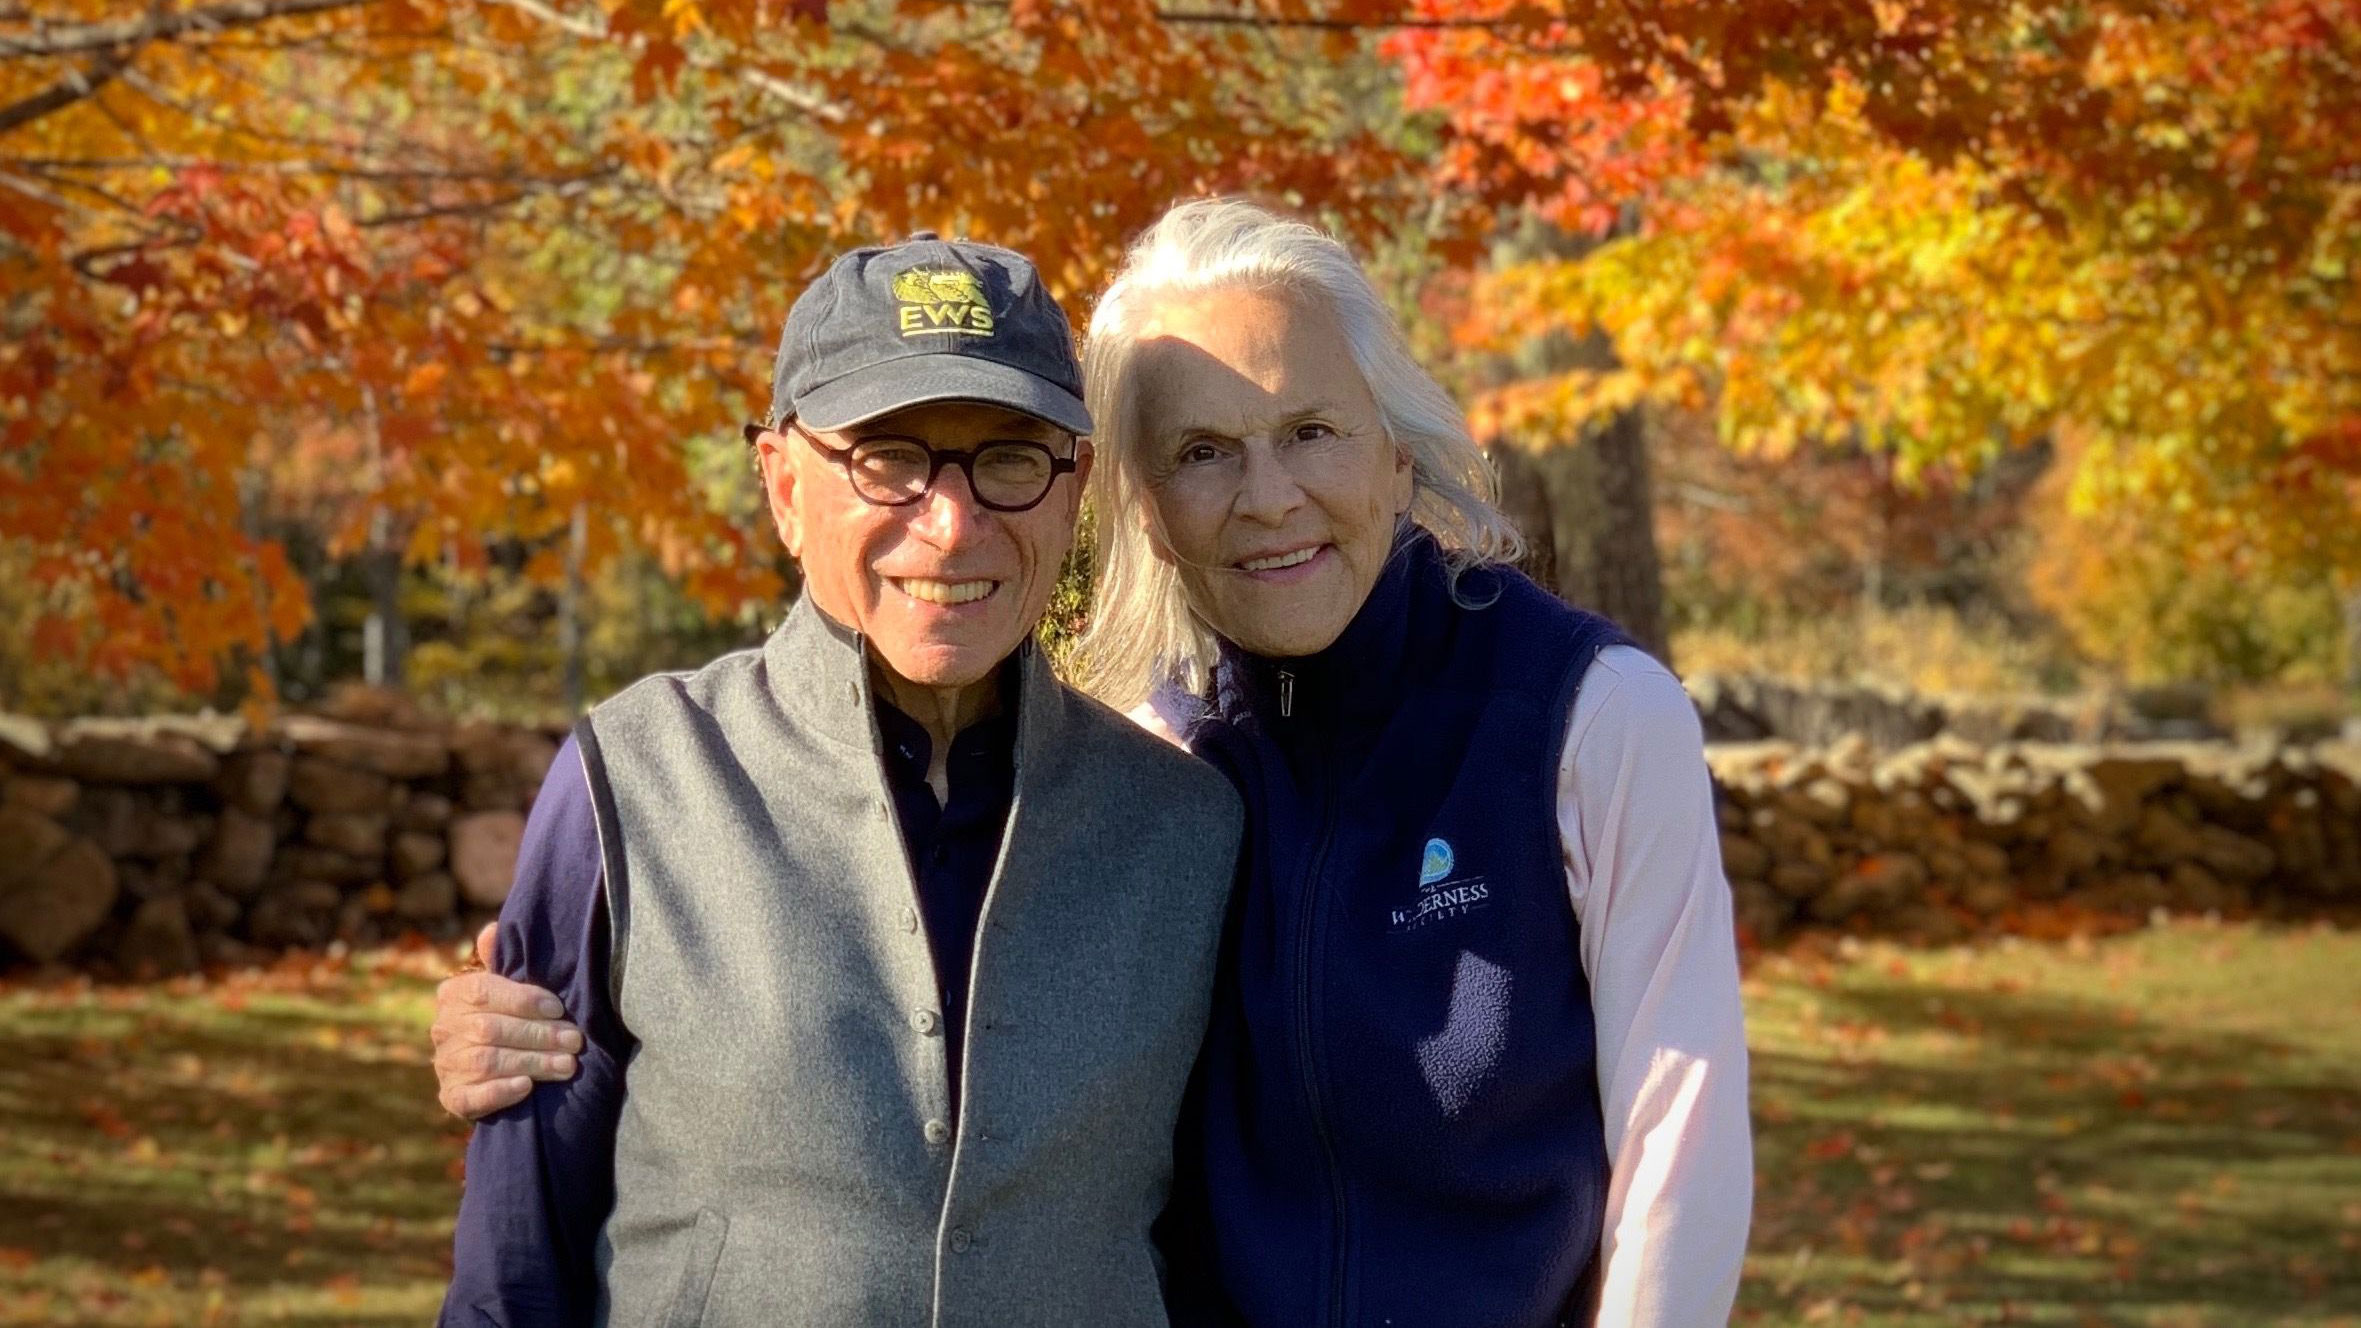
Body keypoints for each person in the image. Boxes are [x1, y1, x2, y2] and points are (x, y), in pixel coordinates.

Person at [436, 201, 1752, 1327]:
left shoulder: (1563, 718)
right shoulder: (1160, 756)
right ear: (1139, 505)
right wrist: (493, 1032)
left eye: (1312, 431)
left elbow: (1676, 1151)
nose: (1269, 495)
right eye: (1199, 453)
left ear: (1393, 443)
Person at [433, 232, 1243, 1328]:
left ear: (1074, 489)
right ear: (781, 480)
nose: (952, 525)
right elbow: (513, 1268)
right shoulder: (633, 784)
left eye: (1008, 457)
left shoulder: (1185, 829)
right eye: (888, 457)